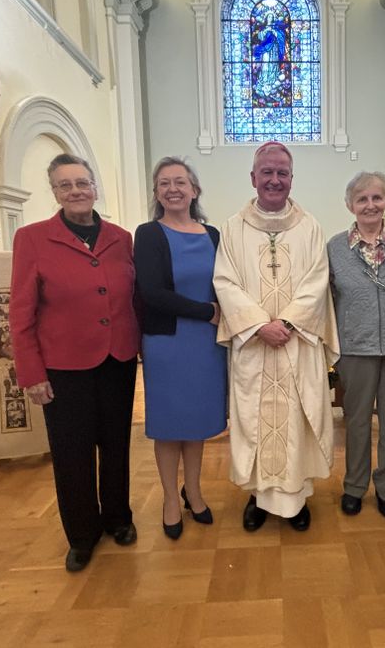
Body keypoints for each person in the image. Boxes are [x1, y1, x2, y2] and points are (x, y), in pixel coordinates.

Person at [10, 153, 140, 572]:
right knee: (72, 453)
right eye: (65, 185)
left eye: (82, 183)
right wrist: (31, 373)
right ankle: (82, 535)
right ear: (54, 192)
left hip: (117, 358)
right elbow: (21, 313)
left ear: (95, 187)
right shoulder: (32, 239)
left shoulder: (121, 238)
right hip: (63, 367)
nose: (76, 191)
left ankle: (118, 518)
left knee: (116, 445)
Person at [213, 141, 338, 532]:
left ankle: (296, 500)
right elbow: (225, 281)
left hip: (296, 343)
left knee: (297, 418)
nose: (274, 179)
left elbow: (317, 282)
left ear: (291, 178)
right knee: (254, 419)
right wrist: (256, 325)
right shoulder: (233, 228)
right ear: (253, 178)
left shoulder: (310, 226)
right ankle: (258, 498)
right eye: (266, 172)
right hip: (254, 345)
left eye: (282, 172)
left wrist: (284, 323)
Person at [134, 157, 226, 541]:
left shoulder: (213, 234)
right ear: (157, 193)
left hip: (207, 346)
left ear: (194, 189)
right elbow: (152, 293)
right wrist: (206, 312)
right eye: (164, 184)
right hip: (168, 343)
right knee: (170, 427)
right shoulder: (149, 233)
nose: (173, 189)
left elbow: (226, 284)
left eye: (180, 182)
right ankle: (171, 499)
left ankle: (196, 491)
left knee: (198, 424)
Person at [327, 171, 385, 520]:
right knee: (357, 422)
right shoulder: (335, 246)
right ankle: (354, 486)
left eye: (377, 198)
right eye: (362, 199)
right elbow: (329, 297)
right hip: (355, 346)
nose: (370, 205)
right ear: (351, 204)